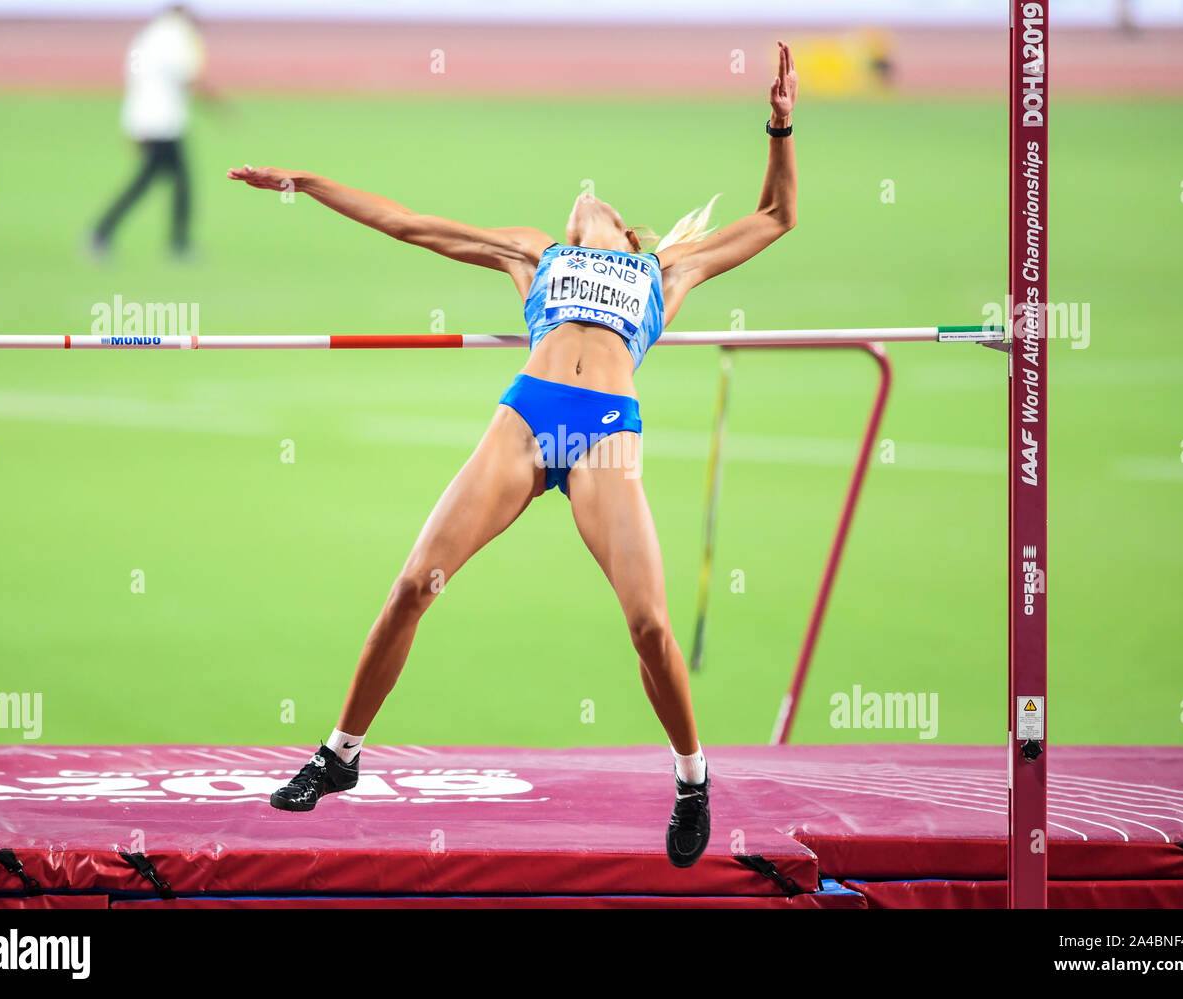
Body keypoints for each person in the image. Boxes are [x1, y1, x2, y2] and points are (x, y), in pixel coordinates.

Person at [228, 43, 798, 868]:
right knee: (412, 584)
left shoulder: (662, 267)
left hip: (605, 432)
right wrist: (307, 184)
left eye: (596, 199)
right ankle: (340, 753)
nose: (583, 196)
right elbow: (408, 222)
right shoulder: (534, 251)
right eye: (577, 199)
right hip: (526, 422)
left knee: (648, 625)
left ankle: (691, 776)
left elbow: (777, 217)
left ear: (621, 227)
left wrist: (779, 123)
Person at [90, 5, 206, 257]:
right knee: (157, 183)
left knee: (171, 182)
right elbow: (187, 77)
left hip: (144, 120)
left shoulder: (148, 35)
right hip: (164, 123)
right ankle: (101, 234)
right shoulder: (176, 36)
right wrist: (219, 106)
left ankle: (177, 243)